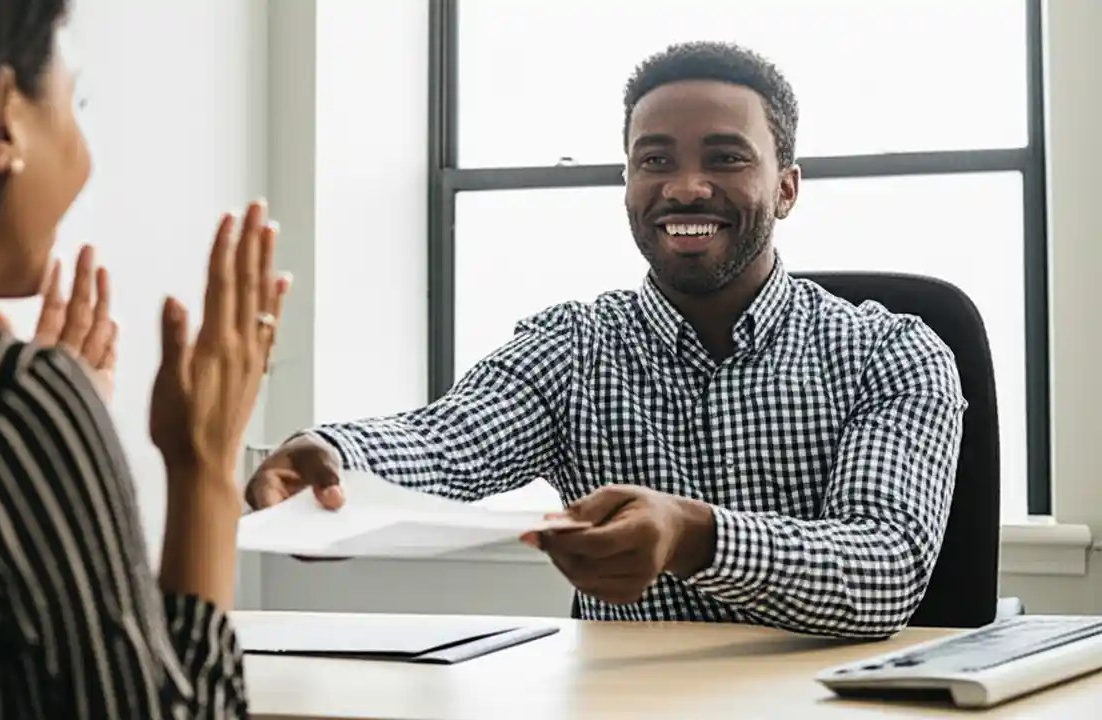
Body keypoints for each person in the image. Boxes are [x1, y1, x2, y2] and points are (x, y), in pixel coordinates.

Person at [247, 42, 966, 639]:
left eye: (725, 158)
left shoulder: (893, 353)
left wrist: (694, 536)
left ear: (787, 189)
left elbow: (886, 569)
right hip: (620, 704)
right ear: (627, 182)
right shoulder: (572, 348)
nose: (686, 188)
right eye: (655, 161)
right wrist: (338, 460)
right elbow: (447, 442)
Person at [0, 2, 286, 717]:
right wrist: (205, 468)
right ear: (4, 119)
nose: (87, 158)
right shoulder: (11, 401)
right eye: (78, 104)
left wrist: (49, 453)